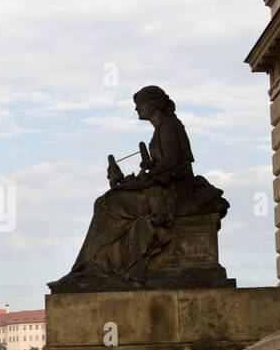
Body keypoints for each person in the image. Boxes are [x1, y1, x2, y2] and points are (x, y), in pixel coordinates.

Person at [53, 86, 228, 287]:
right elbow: (165, 166)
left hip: (170, 193)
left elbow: (172, 165)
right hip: (162, 188)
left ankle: (98, 267)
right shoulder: (163, 127)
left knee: (107, 204)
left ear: (152, 104)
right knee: (108, 199)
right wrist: (146, 172)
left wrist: (141, 181)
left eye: (139, 105)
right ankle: (97, 264)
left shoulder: (169, 125)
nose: (137, 109)